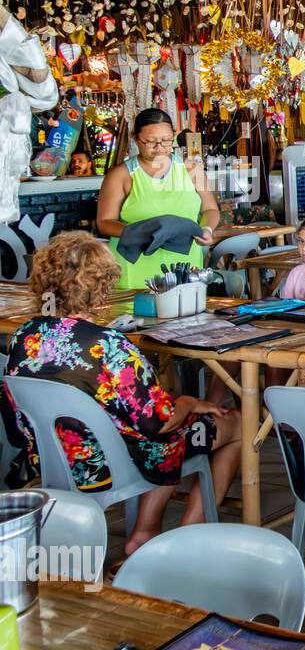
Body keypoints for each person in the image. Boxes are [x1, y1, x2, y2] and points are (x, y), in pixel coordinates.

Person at [1, 233, 241, 554]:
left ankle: (145, 533)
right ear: (101, 288)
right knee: (235, 424)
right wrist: (190, 402)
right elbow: (160, 422)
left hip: (48, 458)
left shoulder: (23, 336)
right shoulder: (109, 346)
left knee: (148, 431)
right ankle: (180, 542)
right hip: (109, 466)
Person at [96, 109, 221, 290]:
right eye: (151, 142)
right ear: (136, 139)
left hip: (184, 264)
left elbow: (210, 209)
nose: (160, 147)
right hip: (136, 269)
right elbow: (105, 222)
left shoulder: (192, 170)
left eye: (166, 140)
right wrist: (140, 232)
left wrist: (207, 229)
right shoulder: (121, 175)